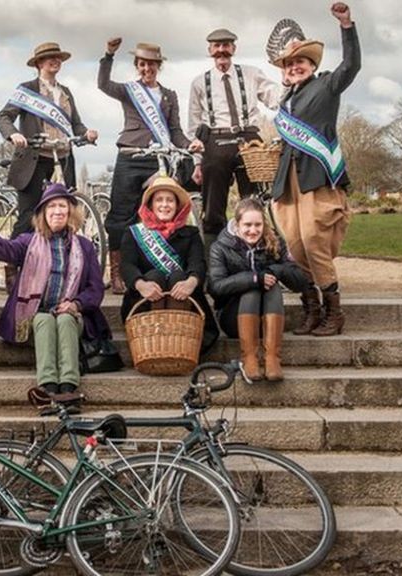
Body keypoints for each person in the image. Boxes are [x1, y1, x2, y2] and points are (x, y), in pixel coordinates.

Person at [0, 183, 108, 412]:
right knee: (44, 320)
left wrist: (76, 304)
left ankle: (69, 387)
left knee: (65, 320)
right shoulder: (29, 242)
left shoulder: (84, 246)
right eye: (51, 207)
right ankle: (48, 388)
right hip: (37, 315)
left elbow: (95, 288)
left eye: (62, 206)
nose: (57, 211)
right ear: (43, 214)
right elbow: (10, 249)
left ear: (70, 211)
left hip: (72, 315)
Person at [269, 2, 360, 336]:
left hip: (317, 177)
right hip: (288, 182)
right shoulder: (286, 101)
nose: (295, 67)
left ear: (312, 64)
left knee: (313, 240)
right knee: (295, 247)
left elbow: (351, 65)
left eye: (301, 62)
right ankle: (312, 309)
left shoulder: (326, 86)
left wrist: (346, 26)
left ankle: (334, 312)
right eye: (289, 63)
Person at [98, 37, 202, 294]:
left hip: (159, 159)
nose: (147, 69)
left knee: (160, 212)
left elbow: (175, 130)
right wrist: (108, 55)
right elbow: (103, 84)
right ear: (137, 66)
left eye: (152, 64)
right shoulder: (129, 91)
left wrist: (189, 144)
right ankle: (118, 272)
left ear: (158, 66)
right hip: (131, 156)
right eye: (142, 64)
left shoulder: (169, 95)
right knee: (121, 216)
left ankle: (158, 266)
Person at [187, 28, 281, 249]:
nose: (222, 50)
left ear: (234, 48)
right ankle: (215, 257)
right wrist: (197, 162)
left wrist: (288, 81)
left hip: (249, 138)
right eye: (217, 46)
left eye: (226, 45)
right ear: (210, 50)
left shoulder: (252, 73)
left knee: (254, 202)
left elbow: (275, 97)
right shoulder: (199, 82)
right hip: (216, 140)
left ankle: (257, 253)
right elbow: (193, 124)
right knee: (212, 206)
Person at [0, 42, 99, 242]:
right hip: (34, 157)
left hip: (62, 156)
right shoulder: (27, 89)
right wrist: (14, 134)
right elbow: (4, 116)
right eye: (49, 57)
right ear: (39, 63)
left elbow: (75, 124)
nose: (55, 60)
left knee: (65, 210)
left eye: (58, 57)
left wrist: (86, 133)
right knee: (29, 216)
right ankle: (13, 257)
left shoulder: (66, 92)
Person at [207, 198, 309, 382]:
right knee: (253, 287)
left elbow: (300, 282)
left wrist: (275, 271)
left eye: (258, 225)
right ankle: (249, 357)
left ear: (264, 224)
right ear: (237, 224)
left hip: (268, 319)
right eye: (247, 225)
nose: (253, 230)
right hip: (233, 318)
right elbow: (215, 287)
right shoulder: (220, 247)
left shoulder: (275, 242)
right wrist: (253, 278)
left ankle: (272, 358)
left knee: (271, 284)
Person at [119, 177, 220, 354]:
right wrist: (141, 285)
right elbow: (127, 265)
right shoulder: (133, 233)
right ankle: (154, 343)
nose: (165, 205)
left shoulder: (191, 234)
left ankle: (178, 344)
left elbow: (198, 263)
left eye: (170, 200)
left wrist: (191, 282)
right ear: (150, 205)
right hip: (143, 300)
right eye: (159, 200)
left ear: (177, 205)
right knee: (155, 276)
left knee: (178, 276)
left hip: (184, 298)